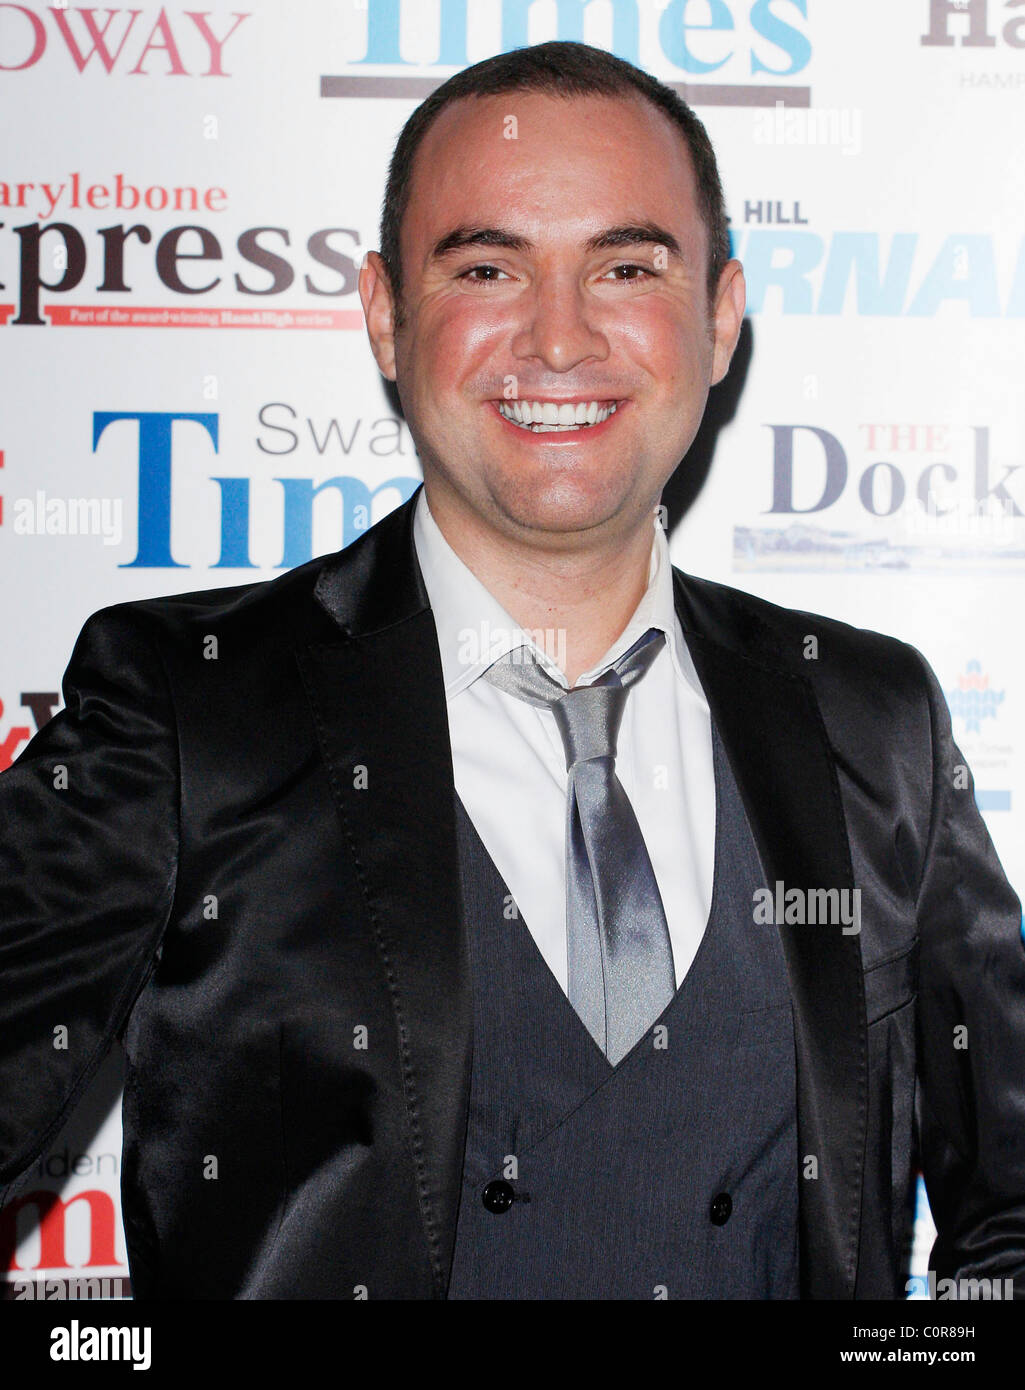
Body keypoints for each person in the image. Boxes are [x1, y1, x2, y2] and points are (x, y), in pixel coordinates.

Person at [2, 39, 1024, 1301]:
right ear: (385, 314)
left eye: (625, 266)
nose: (557, 338)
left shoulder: (872, 721)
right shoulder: (187, 699)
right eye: (486, 266)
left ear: (718, 317)